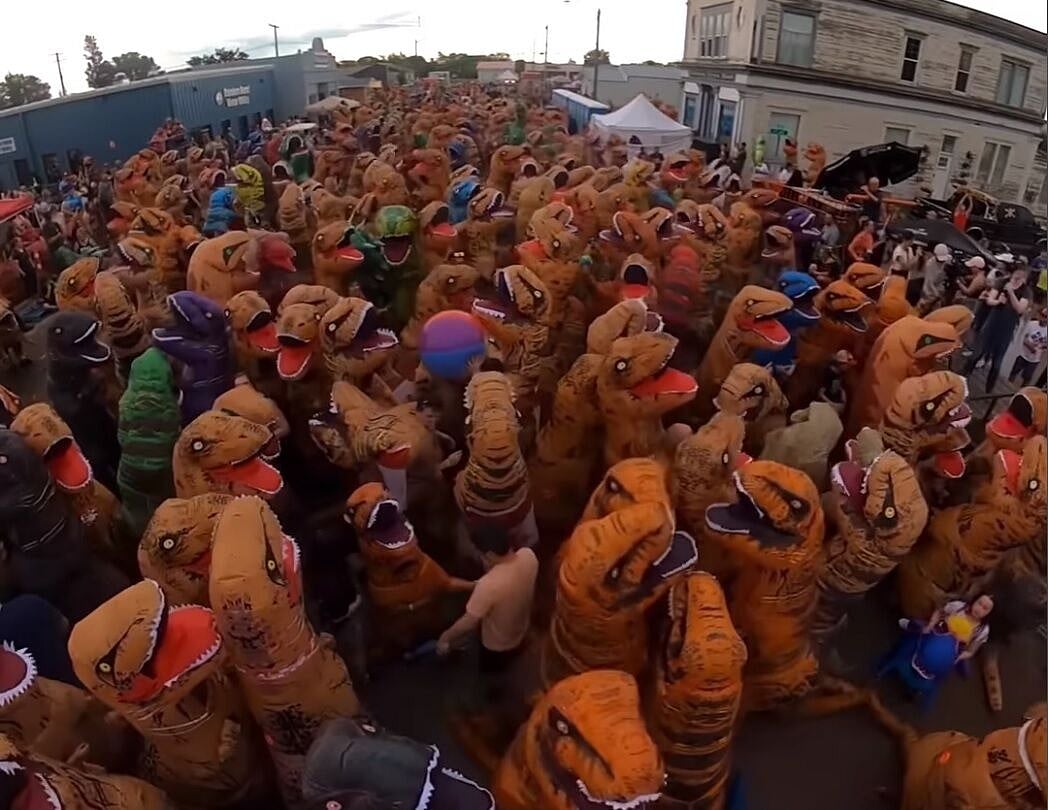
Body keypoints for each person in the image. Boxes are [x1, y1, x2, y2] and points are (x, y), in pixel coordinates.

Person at [437, 524, 538, 701]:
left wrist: (445, 638)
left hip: (496, 644)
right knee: (509, 664)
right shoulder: (529, 556)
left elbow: (469, 621)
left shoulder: (488, 585)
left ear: (490, 554)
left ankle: (492, 695)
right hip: (520, 629)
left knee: (491, 674)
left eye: (481, 553)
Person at [964, 265, 1031, 392]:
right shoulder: (1002, 282)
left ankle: (989, 390)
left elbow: (1020, 309)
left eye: (1021, 277)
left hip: (1007, 328)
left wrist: (1011, 293)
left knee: (997, 362)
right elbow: (990, 300)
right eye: (1016, 275)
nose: (1018, 278)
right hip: (992, 323)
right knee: (977, 353)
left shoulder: (1026, 291)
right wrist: (998, 302)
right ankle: (963, 376)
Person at [1010, 306, 1048, 385]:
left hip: (1034, 359)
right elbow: (1023, 337)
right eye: (1043, 315)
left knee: (1027, 379)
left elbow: (1046, 346)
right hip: (1023, 355)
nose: (1044, 318)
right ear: (1039, 315)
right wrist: (1030, 346)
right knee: (1013, 374)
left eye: (1046, 317)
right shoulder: (1032, 324)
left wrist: (1041, 346)